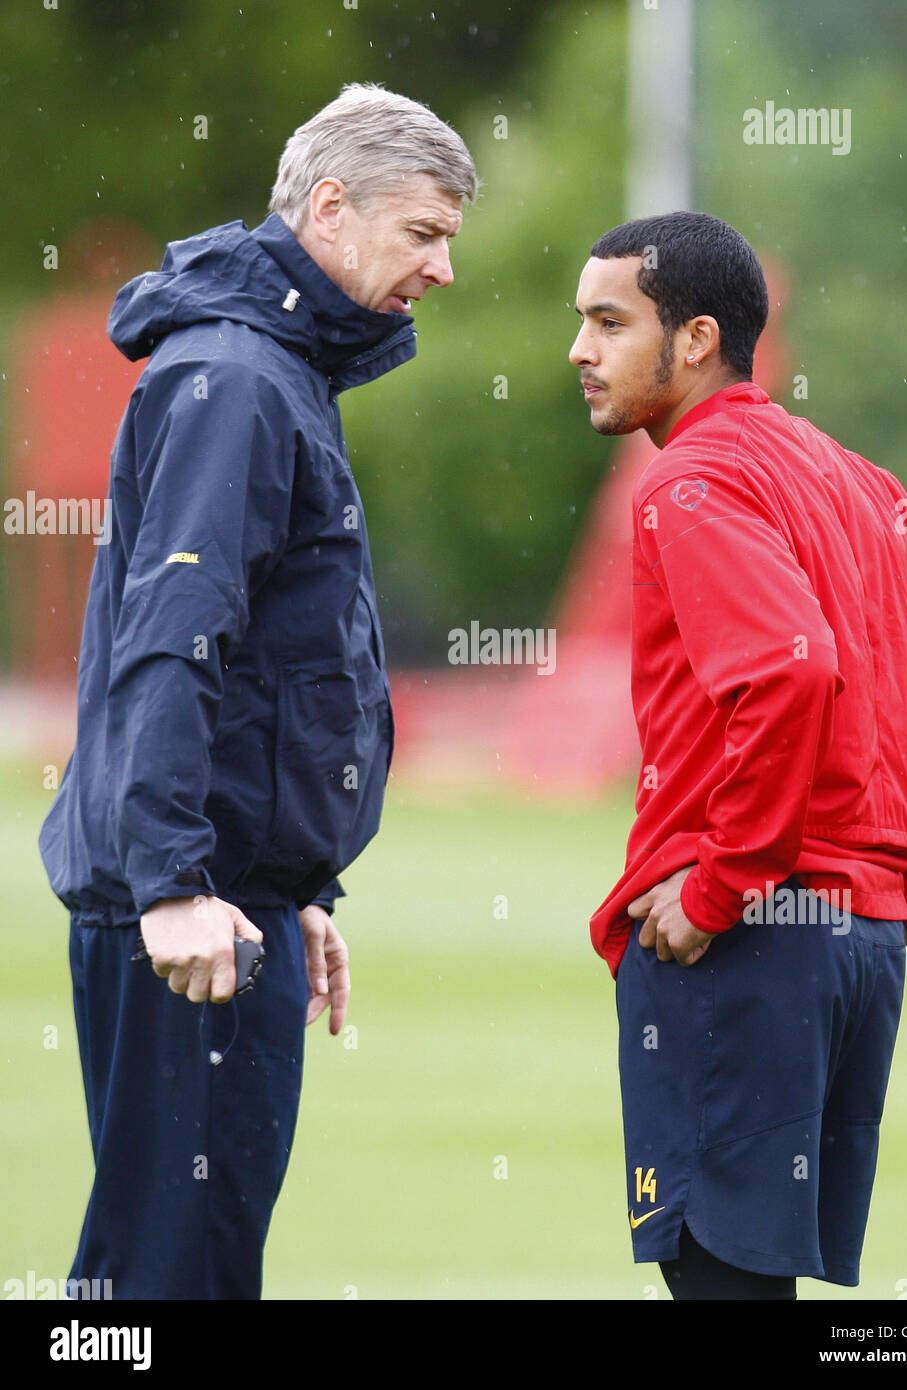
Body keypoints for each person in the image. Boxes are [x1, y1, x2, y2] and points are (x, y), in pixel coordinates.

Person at [38, 83, 477, 1300]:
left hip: (233, 901)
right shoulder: (235, 376)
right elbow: (173, 641)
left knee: (155, 1268)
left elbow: (275, 665)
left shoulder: (270, 370)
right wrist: (178, 882)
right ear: (330, 208)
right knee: (171, 1279)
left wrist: (294, 882)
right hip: (193, 918)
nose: (442, 269)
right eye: (423, 234)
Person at [569, 212, 907, 1300]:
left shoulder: (689, 482)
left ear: (695, 337)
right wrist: (901, 885)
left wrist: (723, 885)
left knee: (720, 1287)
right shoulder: (859, 480)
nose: (578, 350)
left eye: (608, 322)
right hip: (848, 942)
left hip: (750, 942)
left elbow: (787, 670)